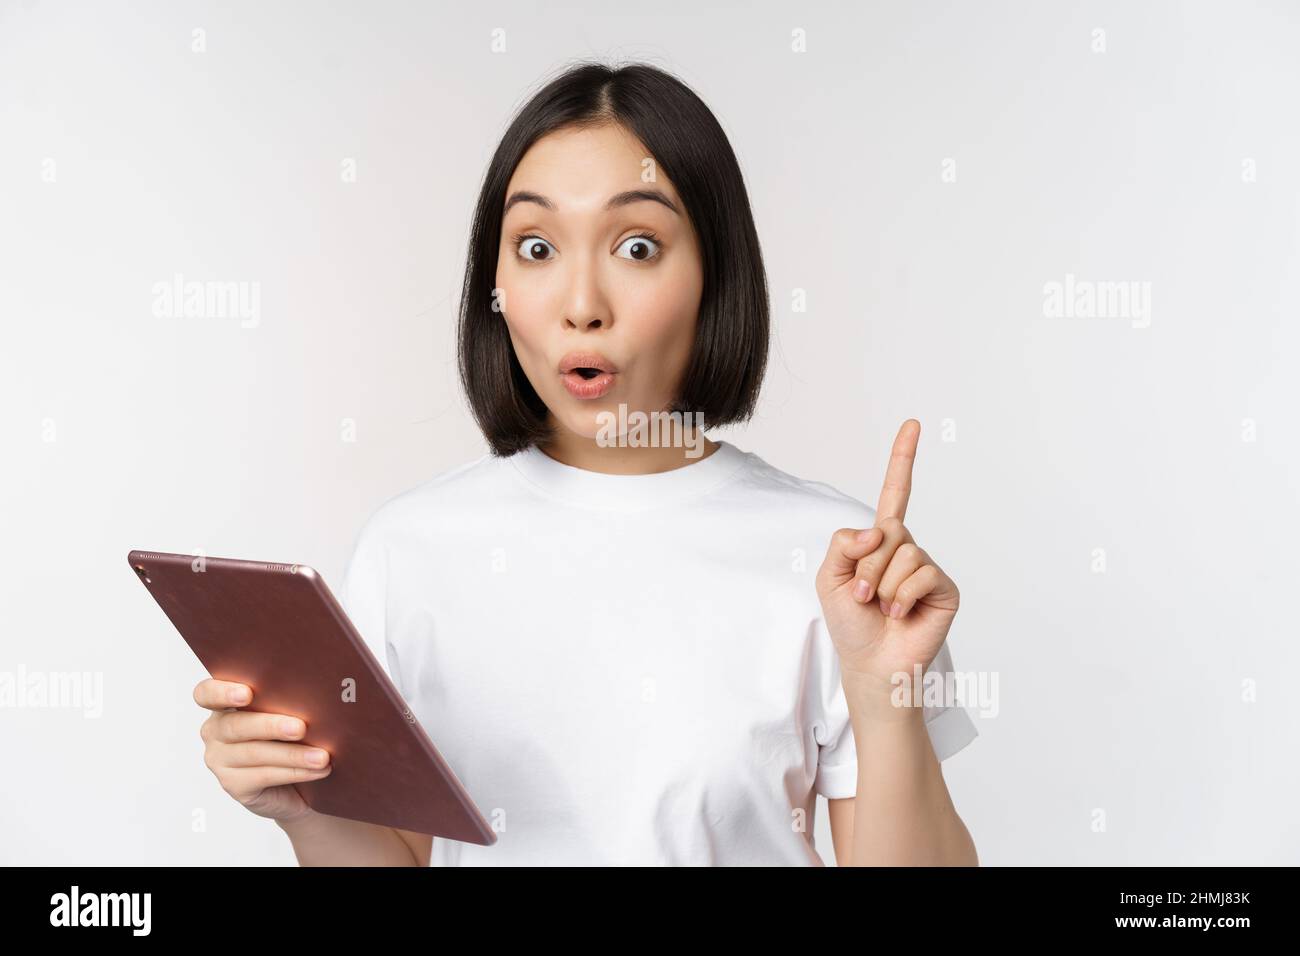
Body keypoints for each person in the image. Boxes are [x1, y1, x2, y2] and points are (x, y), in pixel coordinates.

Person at [192, 60, 979, 866]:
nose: (581, 304)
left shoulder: (840, 563)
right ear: (492, 284)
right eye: (535, 246)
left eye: (637, 246)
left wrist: (887, 704)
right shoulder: (411, 549)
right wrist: (306, 810)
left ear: (715, 275)